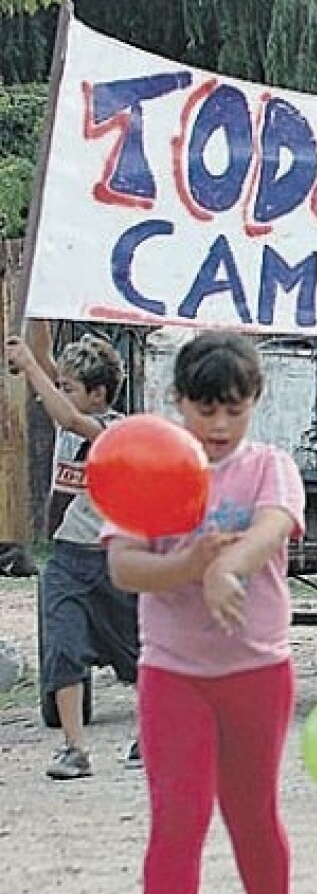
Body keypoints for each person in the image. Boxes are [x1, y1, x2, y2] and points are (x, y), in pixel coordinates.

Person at [105, 332, 305, 894]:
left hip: (258, 671)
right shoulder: (147, 468)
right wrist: (190, 565)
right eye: (205, 410)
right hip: (174, 673)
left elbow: (271, 528)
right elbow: (124, 566)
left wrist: (227, 570)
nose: (219, 426)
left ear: (255, 402)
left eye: (233, 411)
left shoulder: (271, 465)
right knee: (179, 818)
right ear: (178, 401)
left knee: (253, 818)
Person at [4, 322, 138, 780]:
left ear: (98, 394)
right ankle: (75, 748)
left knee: (138, 655)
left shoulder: (109, 429)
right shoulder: (69, 402)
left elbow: (68, 418)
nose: (58, 393)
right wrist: (37, 313)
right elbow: (44, 358)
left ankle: (155, 729)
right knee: (63, 649)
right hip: (67, 556)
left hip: (112, 559)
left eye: (70, 387)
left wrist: (29, 368)